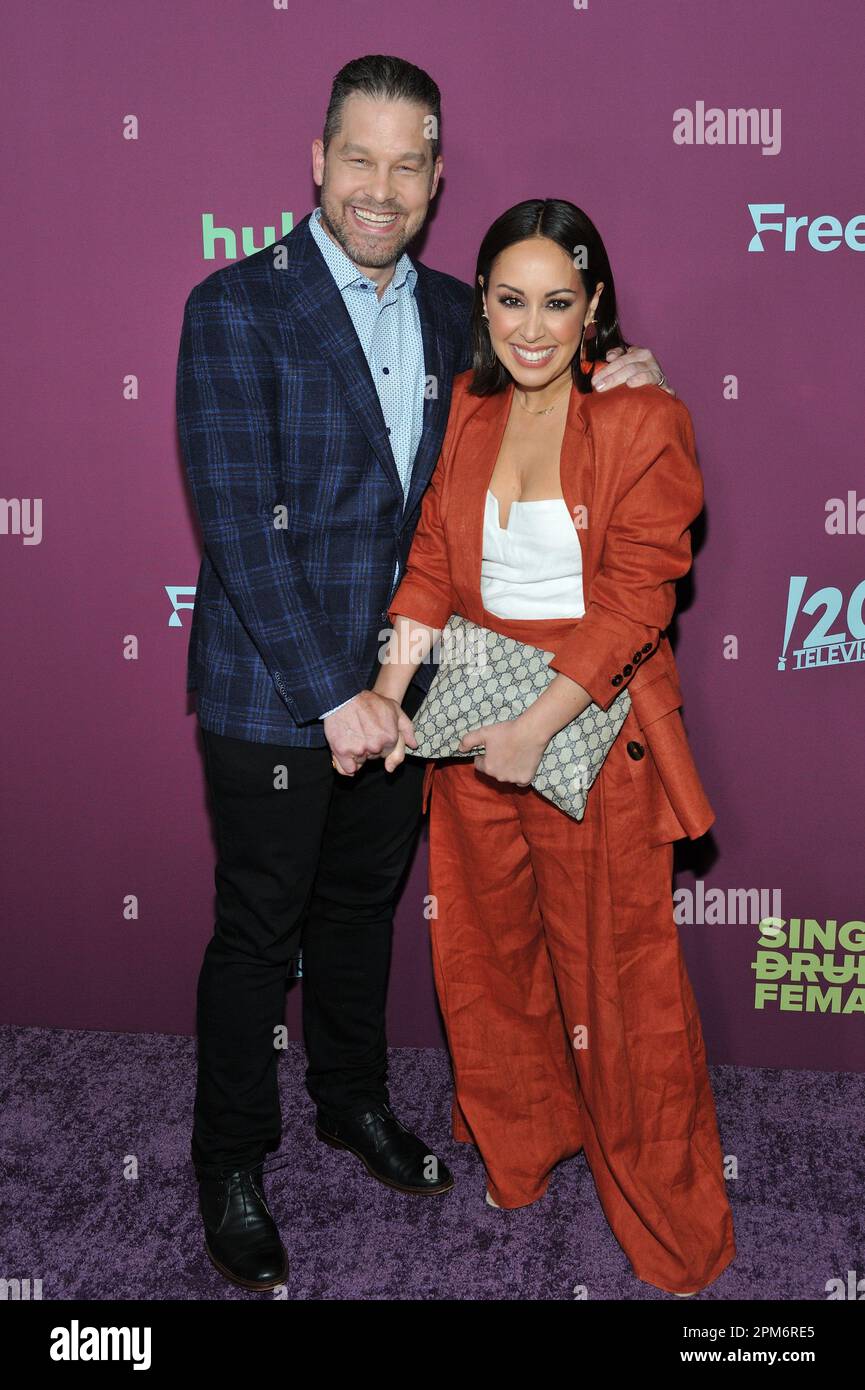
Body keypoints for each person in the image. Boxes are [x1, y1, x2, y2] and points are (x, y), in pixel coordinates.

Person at [176, 54, 672, 1292]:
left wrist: (627, 376)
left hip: (417, 690)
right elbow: (236, 525)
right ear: (317, 162)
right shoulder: (234, 305)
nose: (380, 188)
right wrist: (330, 693)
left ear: (439, 178)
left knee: (358, 918)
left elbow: (551, 385)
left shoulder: (465, 310)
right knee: (257, 935)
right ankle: (231, 1160)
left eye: (408, 164)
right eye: (360, 158)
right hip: (274, 689)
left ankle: (350, 1101)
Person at [373, 197, 737, 1297]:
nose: (532, 327)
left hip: (592, 735)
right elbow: (434, 559)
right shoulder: (474, 410)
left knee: (619, 984)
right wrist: (392, 691)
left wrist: (536, 729)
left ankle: (672, 1217)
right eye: (509, 300)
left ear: (593, 310)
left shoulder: (642, 416)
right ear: (480, 301)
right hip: (469, 725)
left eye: (558, 303)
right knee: (486, 961)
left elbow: (638, 597)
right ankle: (525, 1144)